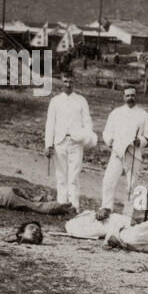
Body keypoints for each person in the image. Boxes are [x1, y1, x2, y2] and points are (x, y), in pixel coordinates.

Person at [100, 87, 148, 219]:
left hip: (133, 153)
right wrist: (110, 141)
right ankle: (106, 208)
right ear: (123, 97)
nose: (130, 98)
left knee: (132, 185)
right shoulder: (115, 113)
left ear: (136, 96)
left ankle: (128, 214)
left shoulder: (143, 115)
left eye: (133, 95)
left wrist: (140, 141)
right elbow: (107, 132)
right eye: (128, 95)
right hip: (117, 153)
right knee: (108, 181)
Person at [44, 69, 94, 209]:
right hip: (59, 142)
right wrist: (48, 144)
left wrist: (85, 139)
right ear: (61, 81)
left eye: (71, 81)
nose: (68, 84)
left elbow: (87, 122)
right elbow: (50, 124)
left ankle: (74, 206)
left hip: (76, 142)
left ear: (74, 82)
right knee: (61, 176)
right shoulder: (55, 101)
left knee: (74, 177)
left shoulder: (81, 101)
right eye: (65, 81)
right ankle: (61, 205)